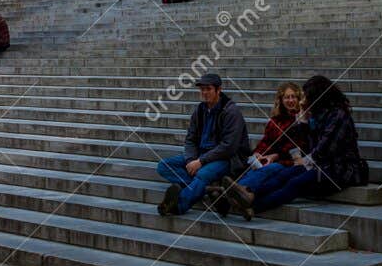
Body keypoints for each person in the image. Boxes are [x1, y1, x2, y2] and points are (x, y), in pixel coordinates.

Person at [223, 74, 367, 220]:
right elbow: (310, 147)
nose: (304, 100)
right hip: (321, 164)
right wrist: (304, 122)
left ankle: (253, 207)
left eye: (307, 96)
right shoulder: (317, 115)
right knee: (283, 176)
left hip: (340, 170)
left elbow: (323, 149)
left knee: (295, 182)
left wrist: (304, 159)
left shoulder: (338, 115)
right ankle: (249, 194)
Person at [156, 72, 250, 216]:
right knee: (164, 166)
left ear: (219, 90)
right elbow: (190, 139)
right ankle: (207, 189)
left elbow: (229, 147)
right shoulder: (200, 110)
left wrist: (201, 161)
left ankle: (177, 206)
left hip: (227, 159)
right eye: (202, 89)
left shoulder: (231, 111)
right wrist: (190, 160)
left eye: (208, 89)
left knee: (203, 173)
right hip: (201, 155)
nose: (204, 93)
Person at [214, 82, 305, 218]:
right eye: (287, 97)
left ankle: (225, 195)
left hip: (288, 162)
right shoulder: (275, 120)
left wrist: (274, 156)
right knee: (253, 166)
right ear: (281, 99)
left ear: (298, 99)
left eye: (293, 97)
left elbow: (297, 146)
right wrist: (258, 153)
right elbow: (266, 141)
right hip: (269, 159)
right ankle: (238, 199)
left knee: (269, 169)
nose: (290, 100)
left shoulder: (301, 119)